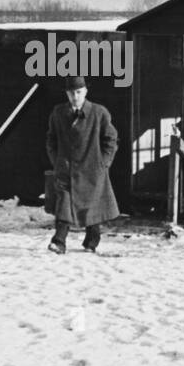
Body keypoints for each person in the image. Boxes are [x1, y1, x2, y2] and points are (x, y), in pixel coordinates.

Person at [45, 74, 119, 253]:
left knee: (92, 206)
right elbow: (51, 140)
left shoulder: (99, 113)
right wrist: (57, 161)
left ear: (85, 91)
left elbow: (111, 139)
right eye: (71, 93)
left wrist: (103, 163)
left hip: (92, 169)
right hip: (66, 169)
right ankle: (59, 242)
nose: (75, 96)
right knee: (64, 204)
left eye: (78, 92)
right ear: (66, 94)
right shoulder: (58, 113)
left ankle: (91, 242)